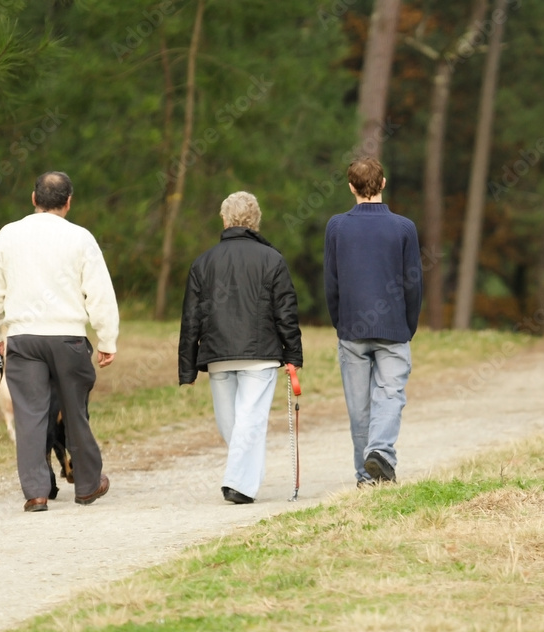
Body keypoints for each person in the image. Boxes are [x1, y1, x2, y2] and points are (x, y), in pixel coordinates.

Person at [0, 171, 119, 512]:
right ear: (69, 202)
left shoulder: (8, 235)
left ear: (33, 199)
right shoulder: (81, 238)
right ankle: (87, 486)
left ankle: (36, 493)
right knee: (75, 412)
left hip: (23, 339)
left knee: (29, 415)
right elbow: (99, 292)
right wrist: (107, 338)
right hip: (68, 338)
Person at [178, 191, 303, 504]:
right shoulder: (272, 259)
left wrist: (187, 366)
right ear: (256, 222)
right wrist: (292, 352)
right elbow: (286, 312)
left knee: (237, 422)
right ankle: (244, 479)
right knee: (242, 422)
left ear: (224, 219)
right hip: (259, 355)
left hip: (219, 354)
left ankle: (238, 484)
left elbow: (190, 320)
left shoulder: (203, 262)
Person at [323, 157, 422, 487]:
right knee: (390, 395)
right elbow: (413, 282)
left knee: (359, 408)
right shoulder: (403, 227)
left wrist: (340, 322)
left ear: (351, 187)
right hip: (393, 327)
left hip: (352, 328)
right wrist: (409, 324)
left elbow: (331, 282)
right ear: (383, 183)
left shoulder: (336, 226)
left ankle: (366, 476)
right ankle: (380, 453)